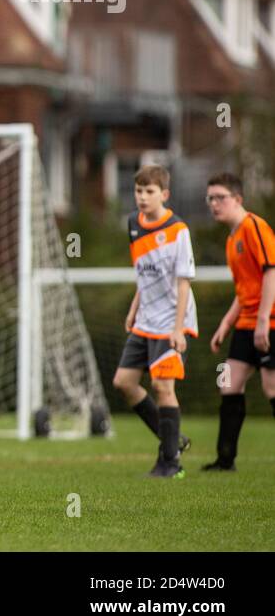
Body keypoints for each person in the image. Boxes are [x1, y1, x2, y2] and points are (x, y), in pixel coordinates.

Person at [109, 165, 195, 478]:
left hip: (172, 321)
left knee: (162, 386)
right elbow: (144, 275)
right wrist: (134, 308)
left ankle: (170, 463)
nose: (143, 197)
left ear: (164, 194)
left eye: (150, 191)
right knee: (123, 382)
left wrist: (177, 328)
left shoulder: (177, 230)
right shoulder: (133, 223)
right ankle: (174, 441)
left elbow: (183, 282)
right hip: (145, 318)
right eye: (138, 191)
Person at [203, 172, 275, 471]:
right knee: (229, 385)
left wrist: (262, 321)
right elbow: (244, 290)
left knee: (271, 389)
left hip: (268, 324)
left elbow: (271, 271)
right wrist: (225, 324)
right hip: (246, 325)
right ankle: (225, 459)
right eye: (210, 198)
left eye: (221, 197)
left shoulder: (253, 227)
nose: (214, 204)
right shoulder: (232, 240)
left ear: (238, 199)